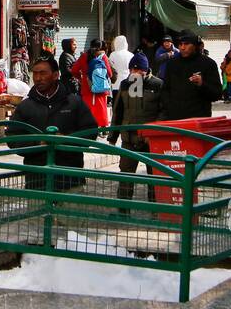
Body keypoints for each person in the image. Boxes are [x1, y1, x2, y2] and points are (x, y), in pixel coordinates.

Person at [9, 55, 99, 189]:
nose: (38, 78)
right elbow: (12, 139)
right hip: (37, 181)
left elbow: (91, 132)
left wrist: (66, 139)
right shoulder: (25, 106)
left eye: (43, 73)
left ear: (56, 75)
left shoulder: (74, 102)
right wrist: (38, 143)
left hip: (70, 180)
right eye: (35, 74)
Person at [109, 53, 164, 202]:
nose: (135, 73)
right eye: (132, 70)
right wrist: (112, 136)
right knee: (126, 174)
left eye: (138, 70)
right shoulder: (125, 84)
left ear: (146, 70)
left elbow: (163, 111)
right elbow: (118, 110)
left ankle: (155, 208)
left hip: (150, 139)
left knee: (154, 175)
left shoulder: (157, 84)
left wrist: (153, 132)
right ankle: (123, 209)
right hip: (128, 137)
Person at [159, 32, 224, 121]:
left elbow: (217, 94)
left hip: (199, 119)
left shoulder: (208, 64)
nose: (182, 47)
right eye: (180, 44)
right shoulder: (172, 64)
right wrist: (169, 107)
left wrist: (202, 84)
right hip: (175, 119)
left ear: (195, 46)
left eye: (186, 44)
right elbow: (165, 89)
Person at [72, 39, 115, 128]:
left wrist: (81, 79)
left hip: (87, 88)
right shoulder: (103, 57)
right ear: (100, 47)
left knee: (87, 111)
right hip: (101, 89)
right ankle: (102, 130)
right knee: (101, 110)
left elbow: (74, 70)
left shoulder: (84, 56)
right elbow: (110, 74)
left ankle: (87, 129)